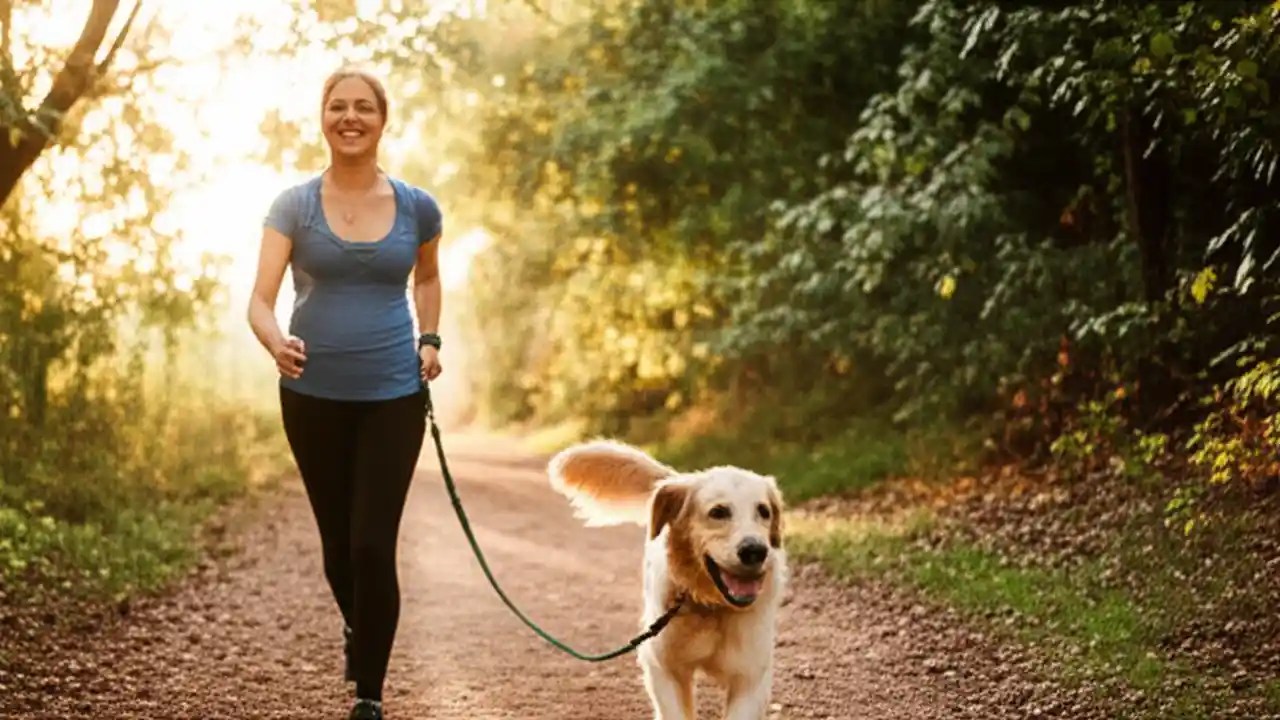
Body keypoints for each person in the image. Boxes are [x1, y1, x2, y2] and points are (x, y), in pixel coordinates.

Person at [247, 66, 443, 720]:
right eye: (338, 106)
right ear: (323, 118)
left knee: (369, 543)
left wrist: (431, 339)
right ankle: (361, 626)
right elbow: (259, 299)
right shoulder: (293, 206)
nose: (350, 116)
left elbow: (428, 279)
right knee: (337, 545)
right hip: (311, 396)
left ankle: (370, 694)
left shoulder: (418, 206)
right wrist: (274, 341)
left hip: (393, 394)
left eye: (364, 107)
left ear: (383, 120)